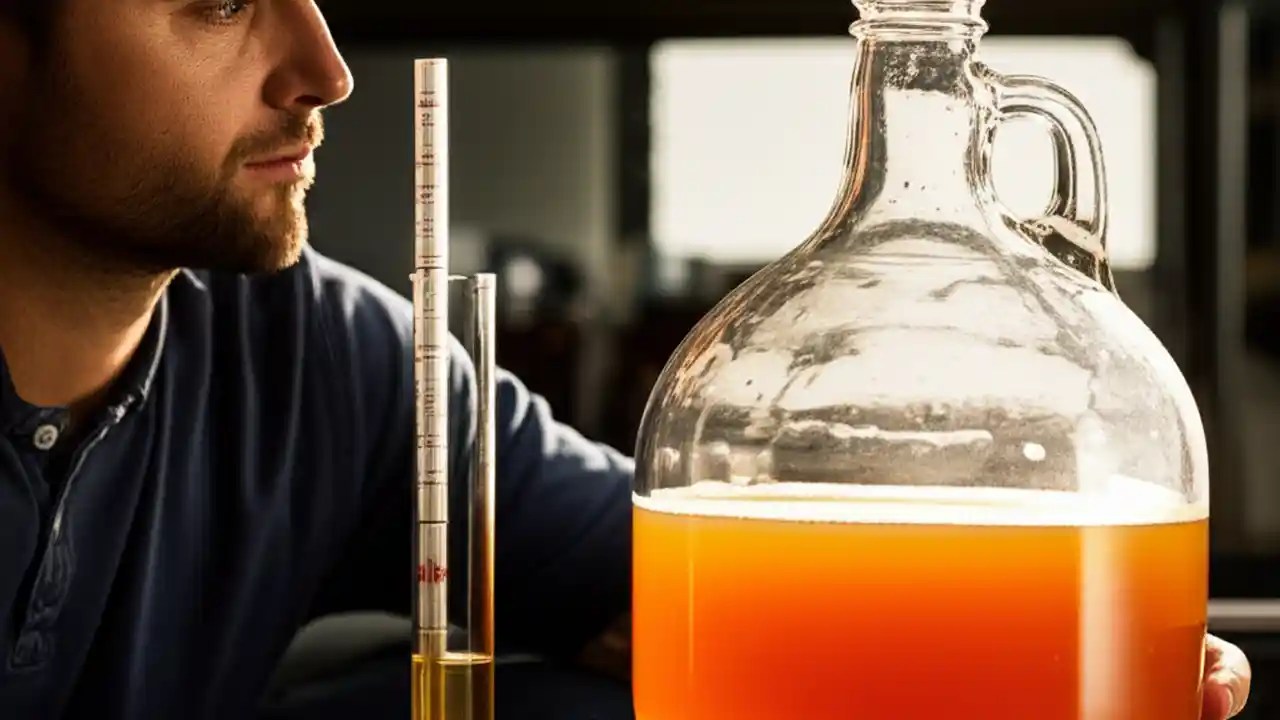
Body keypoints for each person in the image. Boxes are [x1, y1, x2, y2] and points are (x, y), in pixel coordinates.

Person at [0, 1, 1253, 719]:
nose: (324, 72)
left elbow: (674, 606)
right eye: (221, 1)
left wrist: (1054, 651)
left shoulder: (321, 354)